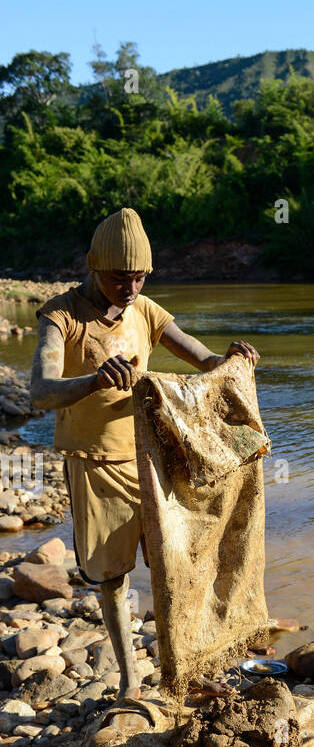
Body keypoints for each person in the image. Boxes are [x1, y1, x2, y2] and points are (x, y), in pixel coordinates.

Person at [29, 207, 260, 701]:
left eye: (138, 278)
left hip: (153, 460)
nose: (129, 289)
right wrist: (94, 381)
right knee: (112, 575)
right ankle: (131, 684)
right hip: (94, 463)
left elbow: (201, 358)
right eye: (119, 278)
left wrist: (233, 361)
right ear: (93, 265)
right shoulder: (61, 316)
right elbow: (41, 391)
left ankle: (186, 668)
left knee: (175, 564)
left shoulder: (147, 311)